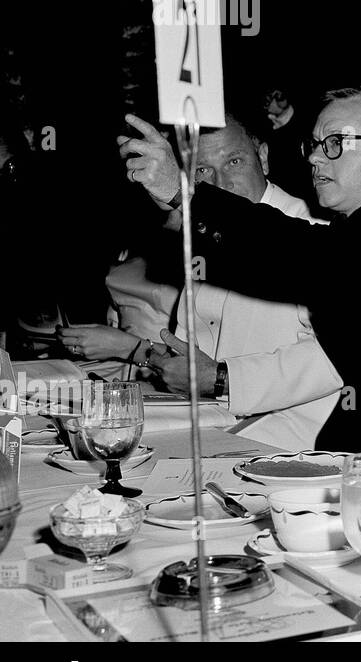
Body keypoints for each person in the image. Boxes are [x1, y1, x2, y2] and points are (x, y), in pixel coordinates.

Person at [117, 86, 361, 469]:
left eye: (334, 142)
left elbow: (298, 253)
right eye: (314, 144)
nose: (315, 157)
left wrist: (183, 195)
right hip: (360, 457)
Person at [64, 111, 344, 451]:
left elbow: (337, 355)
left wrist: (224, 380)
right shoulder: (204, 238)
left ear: (264, 159)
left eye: (235, 161)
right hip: (213, 421)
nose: (221, 183)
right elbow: (193, 352)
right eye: (202, 171)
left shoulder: (316, 239)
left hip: (291, 439)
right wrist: (160, 360)